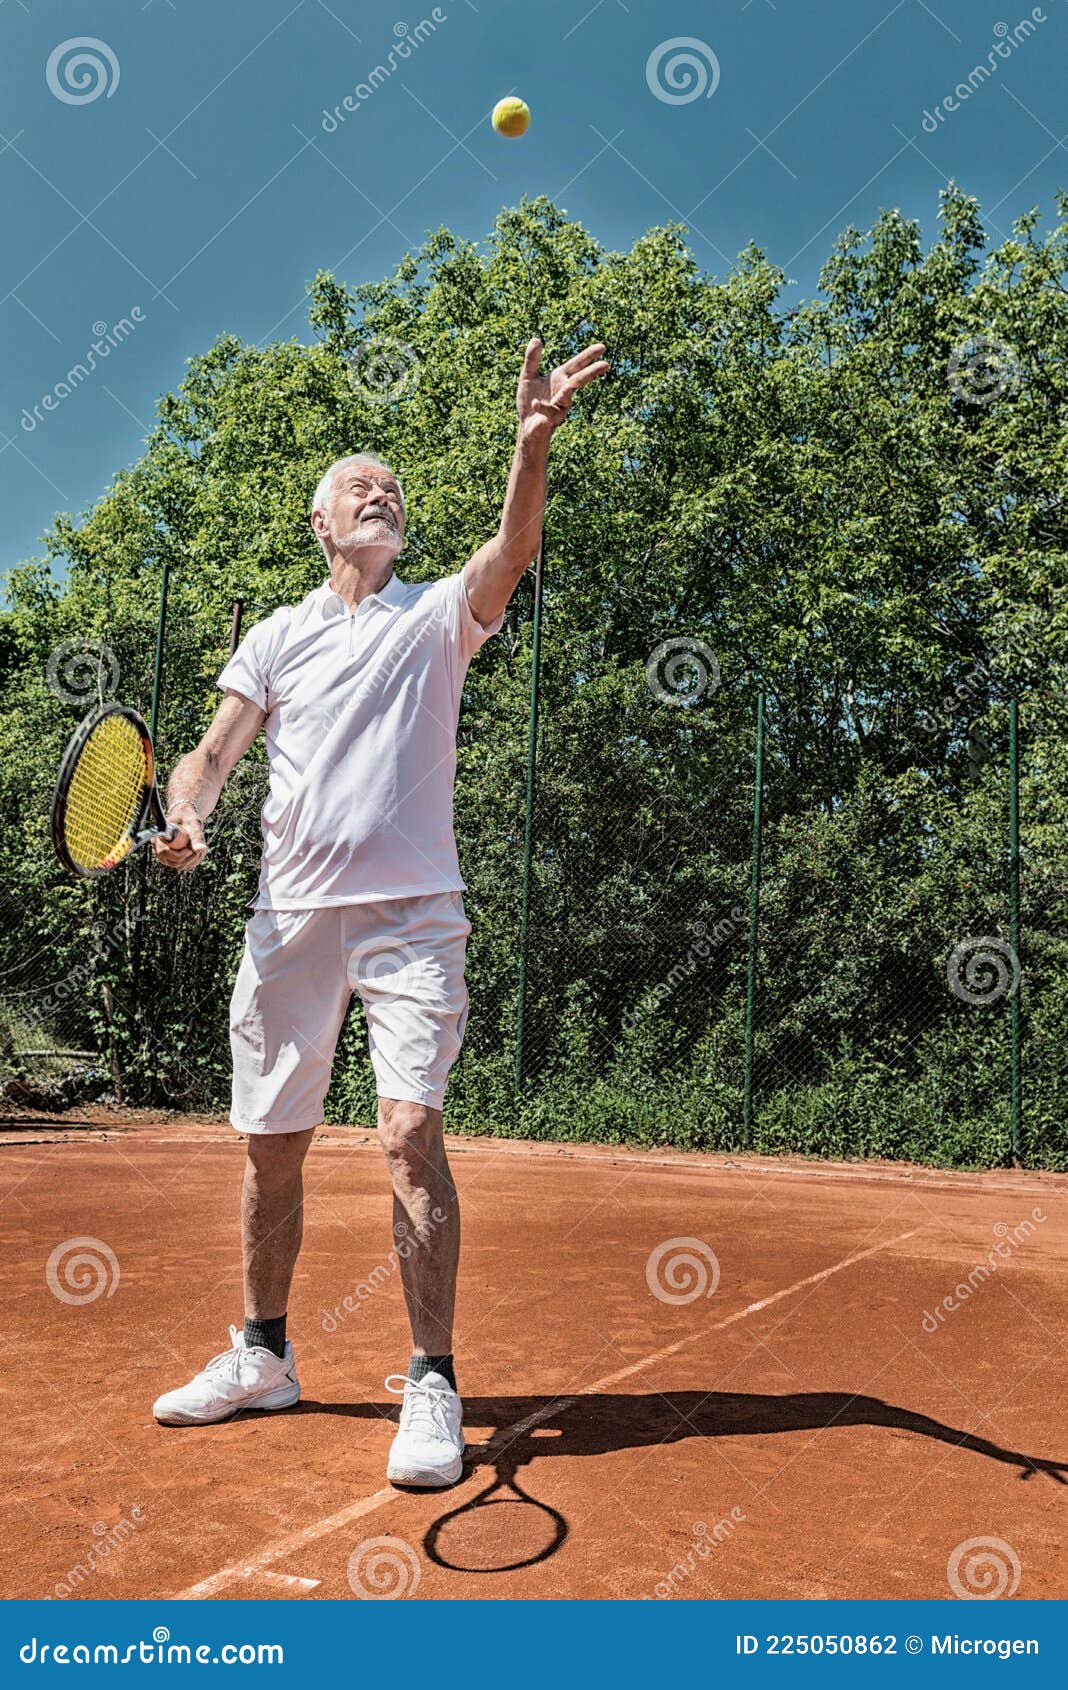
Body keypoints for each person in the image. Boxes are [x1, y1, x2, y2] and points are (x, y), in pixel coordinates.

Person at [149, 336, 609, 1486]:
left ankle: (434, 1376)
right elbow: (209, 755)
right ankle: (264, 1354)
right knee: (271, 1147)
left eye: (393, 489)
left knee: (408, 1131)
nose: (383, 495)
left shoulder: (433, 617)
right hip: (288, 920)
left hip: (412, 918)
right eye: (362, 486)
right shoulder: (278, 635)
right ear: (322, 523)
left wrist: (531, 443)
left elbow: (512, 550)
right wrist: (187, 813)